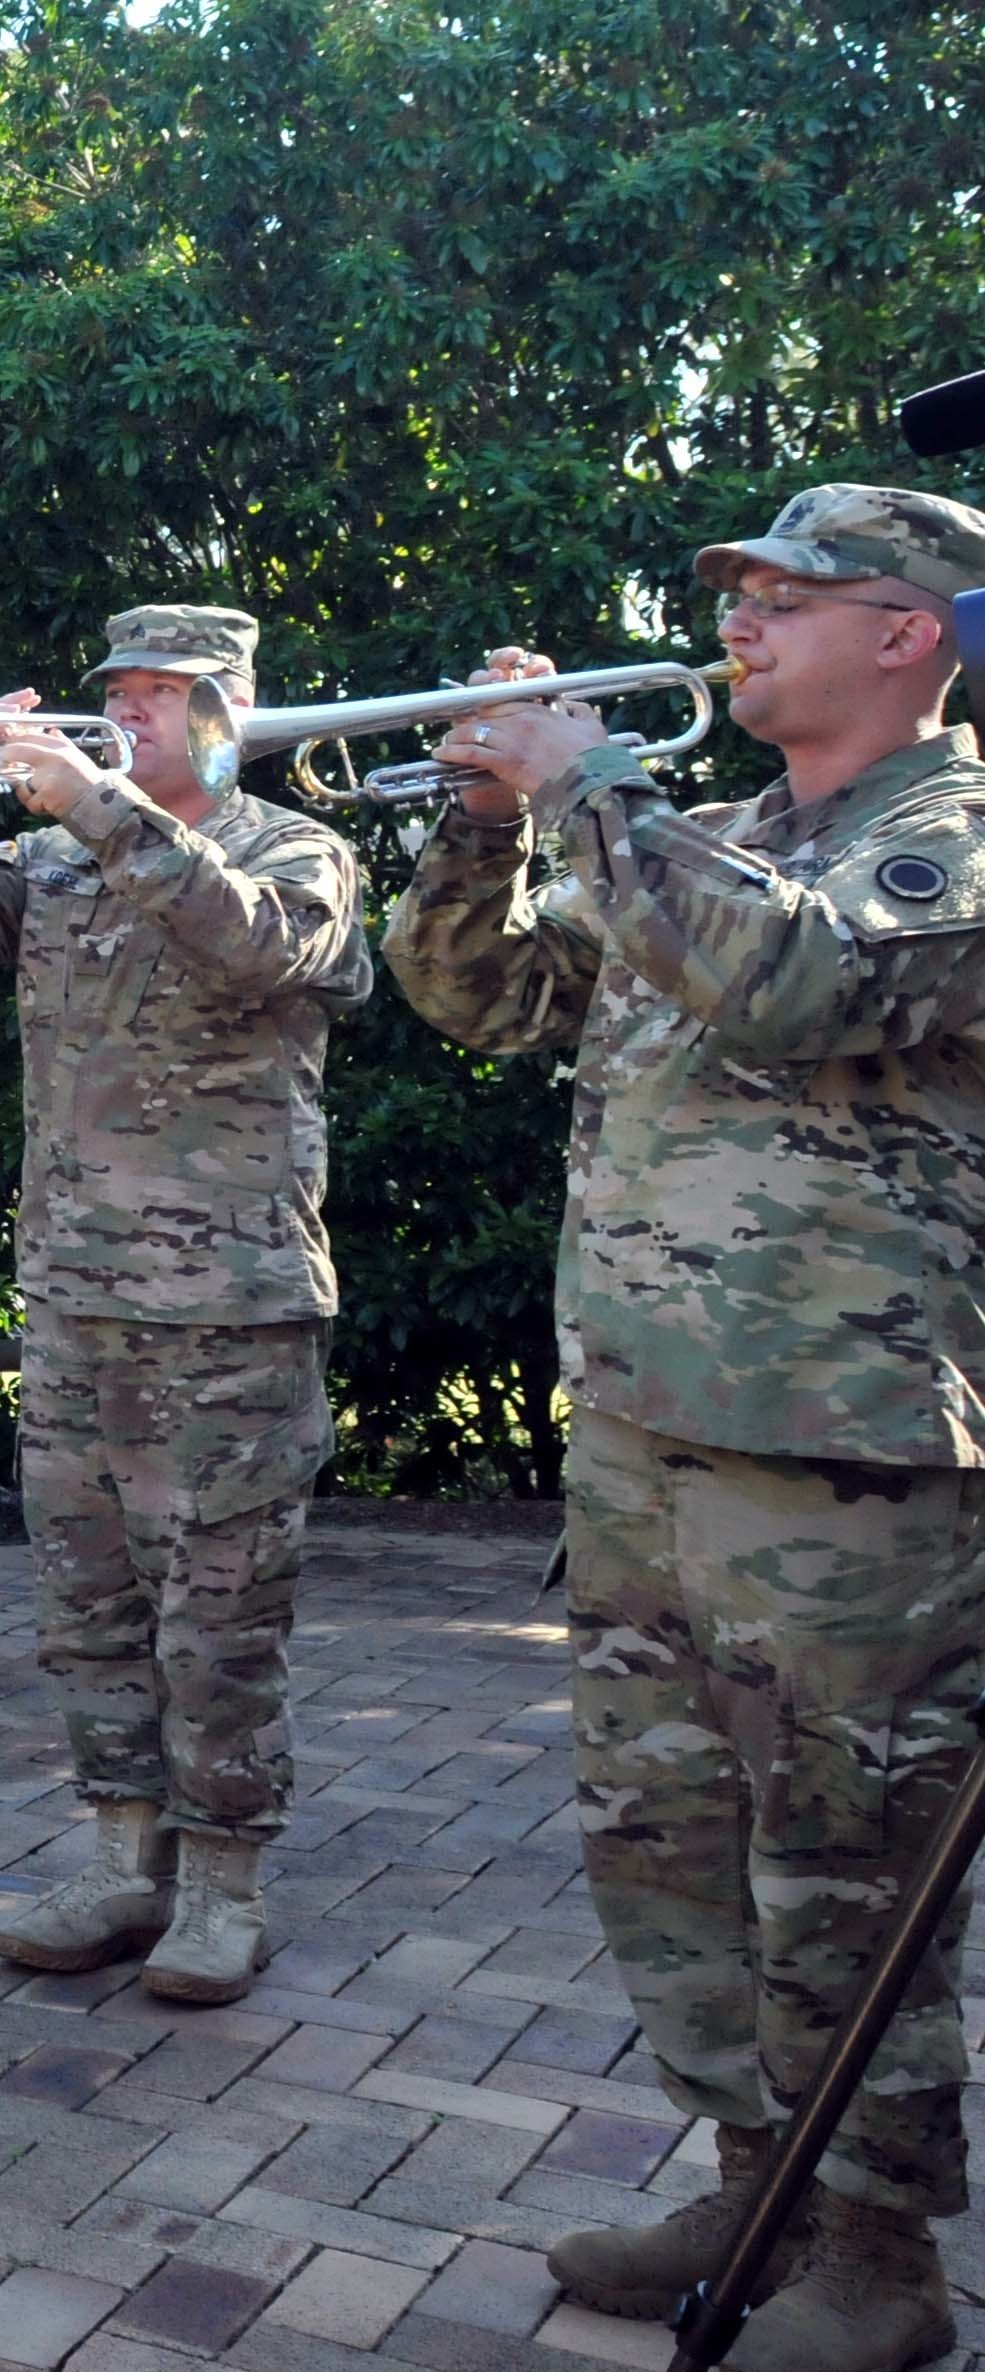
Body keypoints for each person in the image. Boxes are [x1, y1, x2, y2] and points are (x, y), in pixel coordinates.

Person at [385, 484, 985, 2372]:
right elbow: (478, 997)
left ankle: (878, 2260)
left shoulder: (947, 827)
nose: (739, 626)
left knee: (841, 1859)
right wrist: (483, 826)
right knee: (667, 1841)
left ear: (908, 631)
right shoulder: (695, 830)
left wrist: (586, 789)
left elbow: (806, 982)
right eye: (733, 596)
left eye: (785, 600)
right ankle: (760, 2177)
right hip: (643, 1426)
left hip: (843, 1450)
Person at [0, 606, 371, 2004]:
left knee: (218, 1614)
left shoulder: (296, 852)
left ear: (231, 709)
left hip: (229, 1302)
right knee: (86, 1602)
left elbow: (254, 948)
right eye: (117, 694)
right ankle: (122, 1859)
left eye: (163, 694)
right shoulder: (50, 864)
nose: (130, 713)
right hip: (75, 1298)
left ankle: (223, 1884)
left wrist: (100, 807)